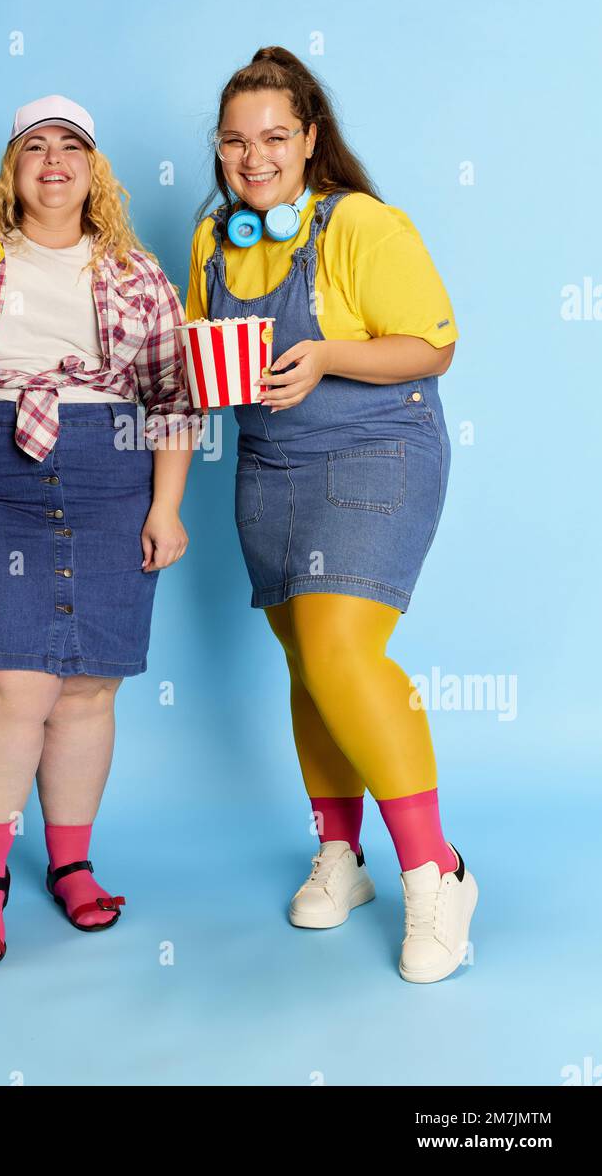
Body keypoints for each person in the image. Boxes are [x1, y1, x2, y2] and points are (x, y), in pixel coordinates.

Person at [0, 95, 197, 966]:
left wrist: (165, 507)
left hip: (111, 470)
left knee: (90, 685)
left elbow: (174, 398)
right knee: (5, 688)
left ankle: (71, 863)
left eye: (72, 148)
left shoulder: (138, 271)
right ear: (12, 169)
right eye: (35, 148)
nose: (54, 160)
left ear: (95, 172)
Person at [186, 48, 478, 984]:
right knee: (307, 664)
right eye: (235, 141)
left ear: (312, 140)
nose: (253, 155)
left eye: (275, 136)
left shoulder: (359, 223)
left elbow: (432, 347)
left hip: (374, 449)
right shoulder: (210, 240)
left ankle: (437, 872)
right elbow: (200, 354)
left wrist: (323, 357)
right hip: (268, 462)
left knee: (340, 647)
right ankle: (339, 855)